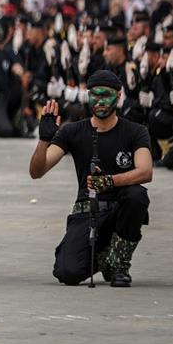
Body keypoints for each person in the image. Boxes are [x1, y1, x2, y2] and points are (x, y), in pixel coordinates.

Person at [28, 70, 153, 287]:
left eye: (106, 95)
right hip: (87, 210)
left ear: (119, 96)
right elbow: (37, 171)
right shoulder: (73, 131)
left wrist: (109, 181)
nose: (100, 101)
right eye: (95, 95)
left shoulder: (136, 132)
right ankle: (106, 257)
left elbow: (145, 171)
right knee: (67, 273)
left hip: (119, 210)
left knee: (136, 195)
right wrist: (44, 140)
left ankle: (120, 264)